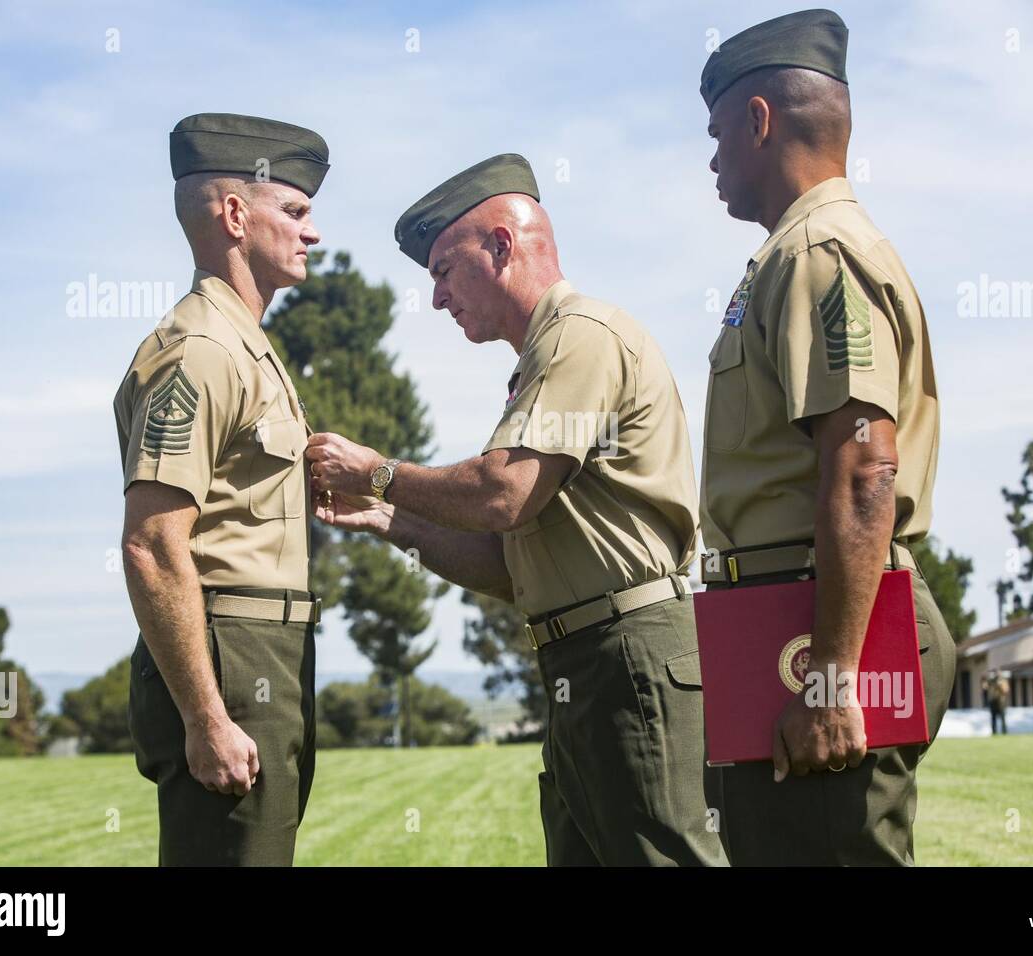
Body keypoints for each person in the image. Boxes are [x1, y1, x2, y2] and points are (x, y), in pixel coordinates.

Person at [307, 154, 725, 866]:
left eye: (441, 270)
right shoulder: (545, 357)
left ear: (500, 246)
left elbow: (503, 492)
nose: (436, 299)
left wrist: (377, 472)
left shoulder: (580, 337)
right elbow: (514, 569)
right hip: (591, 657)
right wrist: (390, 519)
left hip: (628, 655)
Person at [696, 10, 956, 864]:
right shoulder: (788, 255)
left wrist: (834, 675)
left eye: (718, 133)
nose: (711, 160)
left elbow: (863, 470)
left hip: (822, 633)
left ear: (760, 121)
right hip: (789, 630)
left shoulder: (819, 253)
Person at [116, 112, 329, 865]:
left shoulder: (245, 345)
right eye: (295, 212)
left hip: (262, 652)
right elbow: (150, 543)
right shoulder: (202, 351)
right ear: (236, 215)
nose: (313, 234)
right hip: (227, 657)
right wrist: (206, 715)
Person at [982, 669, 1010, 734]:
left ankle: (1004, 732)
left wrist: (1000, 685)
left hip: (1001, 702)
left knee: (1003, 719)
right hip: (993, 702)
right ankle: (994, 732)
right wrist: (983, 679)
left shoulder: (1003, 680)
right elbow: (985, 687)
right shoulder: (991, 681)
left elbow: (1006, 690)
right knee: (993, 719)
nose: (997, 674)